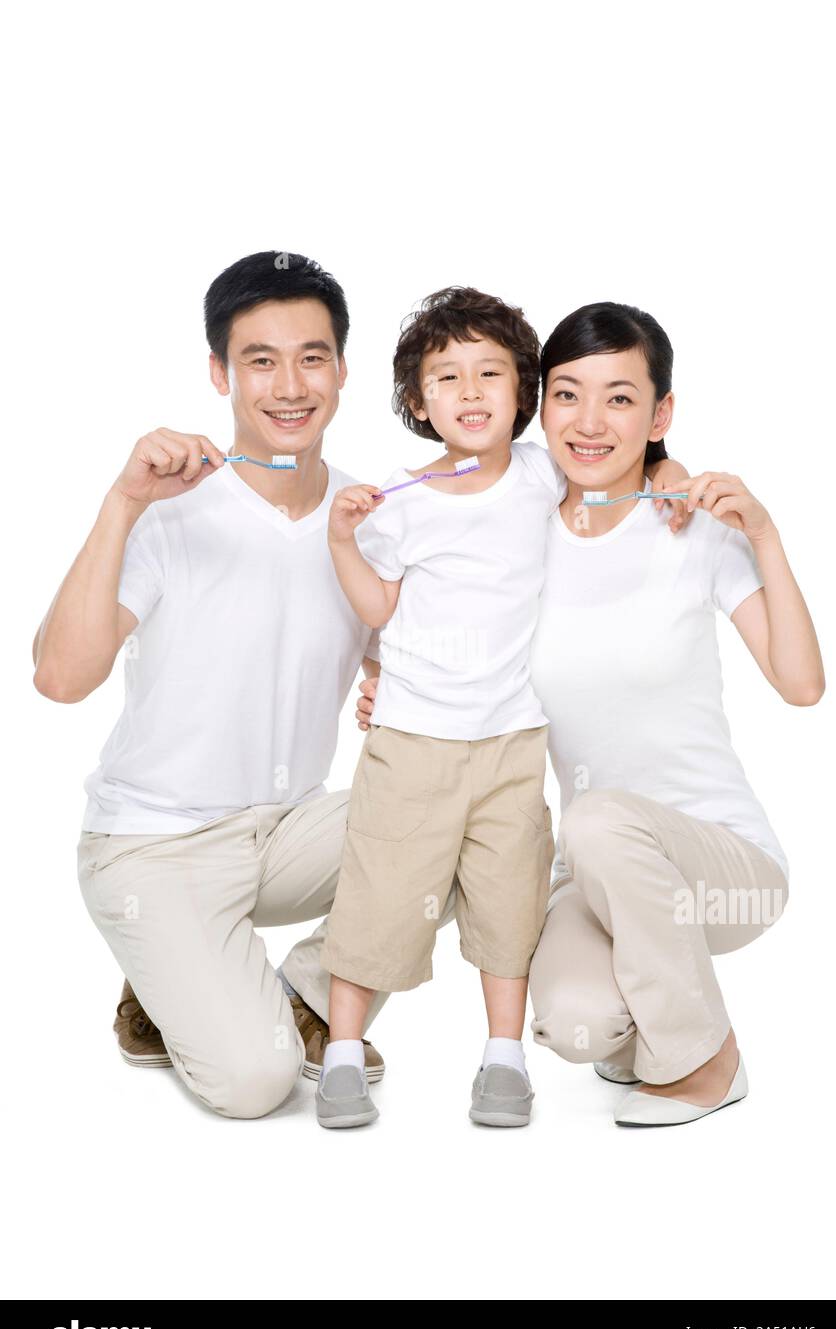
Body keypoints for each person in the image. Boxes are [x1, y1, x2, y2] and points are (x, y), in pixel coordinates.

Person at [32, 251, 396, 1118]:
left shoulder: (369, 518)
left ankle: (309, 995)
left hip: (285, 833)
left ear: (342, 371)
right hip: (154, 846)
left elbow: (400, 646)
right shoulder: (166, 507)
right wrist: (122, 505)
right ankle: (164, 982)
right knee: (254, 1084)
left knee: (473, 813)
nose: (289, 385)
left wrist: (387, 681)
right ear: (219, 373)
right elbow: (59, 677)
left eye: (311, 357)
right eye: (259, 360)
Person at [316, 287, 689, 1130]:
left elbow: (621, 459)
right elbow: (375, 610)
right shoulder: (400, 500)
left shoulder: (540, 472)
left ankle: (503, 1057)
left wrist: (671, 468)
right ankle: (341, 1054)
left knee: (509, 900)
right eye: (448, 377)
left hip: (514, 743)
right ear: (419, 402)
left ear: (525, 393)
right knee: (379, 892)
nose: (473, 391)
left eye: (492, 373)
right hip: (413, 738)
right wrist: (341, 540)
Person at [526, 302, 824, 1126]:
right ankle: (645, 1026)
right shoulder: (518, 530)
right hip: (592, 874)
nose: (590, 421)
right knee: (579, 1024)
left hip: (724, 867)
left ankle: (705, 1056)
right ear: (541, 405)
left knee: (594, 819)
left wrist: (763, 533)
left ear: (660, 414)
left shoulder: (691, 528)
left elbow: (802, 685)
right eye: (567, 394)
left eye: (620, 398)